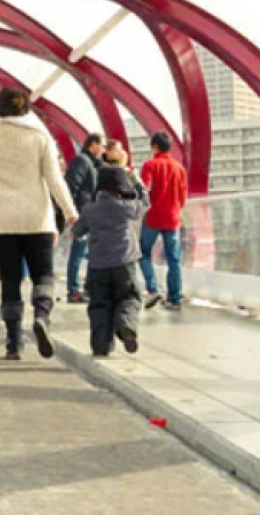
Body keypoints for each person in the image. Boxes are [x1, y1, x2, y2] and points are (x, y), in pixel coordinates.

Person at [0, 87, 79, 360]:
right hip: (37, 219)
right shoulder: (40, 137)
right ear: (26, 108)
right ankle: (41, 316)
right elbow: (54, 178)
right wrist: (70, 211)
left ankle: (13, 343)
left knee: (10, 279)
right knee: (43, 274)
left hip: (1, 220)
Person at [73, 166, 146, 356]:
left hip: (98, 265)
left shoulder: (90, 209)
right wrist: (137, 183)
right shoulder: (126, 208)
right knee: (128, 297)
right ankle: (126, 324)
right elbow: (144, 203)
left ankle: (101, 346)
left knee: (99, 304)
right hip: (125, 263)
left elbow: (77, 231)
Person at [139, 131, 189, 311]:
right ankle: (175, 298)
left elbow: (144, 189)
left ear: (154, 147)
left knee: (143, 252)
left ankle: (153, 289)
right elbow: (183, 198)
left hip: (153, 216)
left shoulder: (149, 165)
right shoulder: (179, 168)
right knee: (173, 258)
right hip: (173, 218)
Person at [63, 133, 103, 304]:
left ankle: (85, 288)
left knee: (88, 252)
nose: (103, 149)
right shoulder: (81, 161)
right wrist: (73, 212)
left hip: (91, 215)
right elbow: (72, 186)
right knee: (78, 252)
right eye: (101, 145)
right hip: (83, 214)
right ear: (93, 145)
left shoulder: (93, 163)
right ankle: (73, 290)